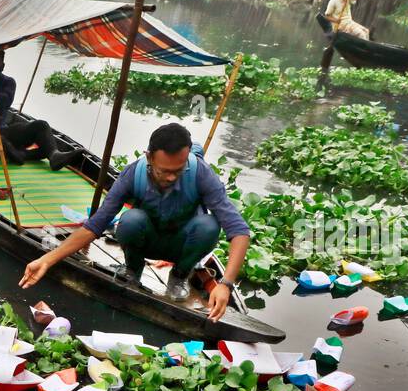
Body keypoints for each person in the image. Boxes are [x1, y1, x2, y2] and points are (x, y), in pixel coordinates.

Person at [18, 122, 250, 320]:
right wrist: (47, 260)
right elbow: (95, 225)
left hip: (183, 246)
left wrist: (225, 284)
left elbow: (239, 230)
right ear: (149, 157)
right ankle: (132, 268)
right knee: (130, 220)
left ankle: (179, 276)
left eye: (178, 170)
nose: (171, 176)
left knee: (209, 226)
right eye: (164, 171)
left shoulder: (200, 173)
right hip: (148, 240)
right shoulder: (133, 174)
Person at [0, 46, 83, 171]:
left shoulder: (8, 82)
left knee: (41, 126)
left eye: (0, 60)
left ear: (3, 65)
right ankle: (24, 155)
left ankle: (54, 155)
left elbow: (5, 102)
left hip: (2, 131)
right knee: (2, 143)